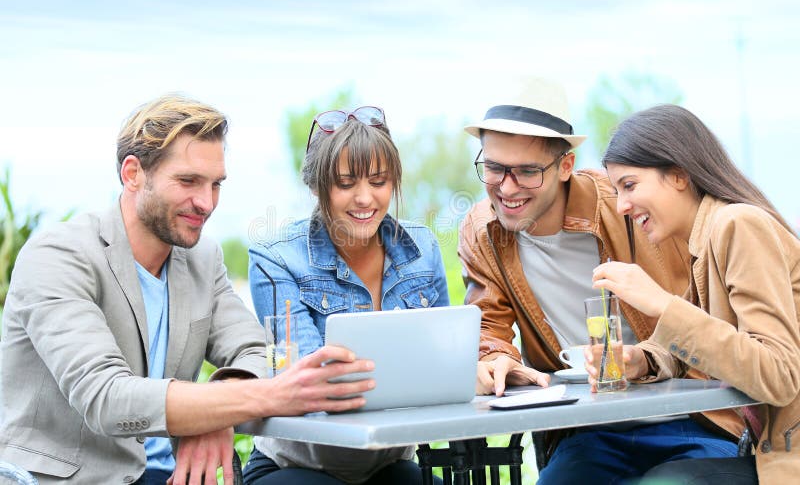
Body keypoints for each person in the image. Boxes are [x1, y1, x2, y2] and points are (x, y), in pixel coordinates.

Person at [0, 95, 375, 484]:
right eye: (188, 181)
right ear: (133, 174)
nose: (206, 202)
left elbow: (255, 350)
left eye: (216, 184)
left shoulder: (201, 259)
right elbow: (106, 398)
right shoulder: (57, 256)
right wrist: (264, 397)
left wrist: (216, 413)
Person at [457, 81, 745, 483]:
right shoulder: (481, 230)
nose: (506, 187)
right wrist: (493, 358)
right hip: (591, 432)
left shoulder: (629, 203)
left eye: (526, 171)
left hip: (692, 419)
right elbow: (487, 323)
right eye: (493, 168)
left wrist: (644, 359)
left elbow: (706, 306)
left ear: (565, 166)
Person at [591, 104, 800, 484]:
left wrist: (659, 302)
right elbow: (695, 334)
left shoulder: (738, 225)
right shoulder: (705, 243)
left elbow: (778, 375)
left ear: (678, 175)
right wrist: (641, 360)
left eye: (630, 185)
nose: (621, 206)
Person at [244, 106, 449, 485]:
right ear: (315, 187)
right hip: (297, 465)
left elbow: (445, 367)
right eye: (345, 183)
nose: (364, 198)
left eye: (379, 181)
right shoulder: (275, 258)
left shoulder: (422, 248)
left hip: (386, 465)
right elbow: (304, 384)